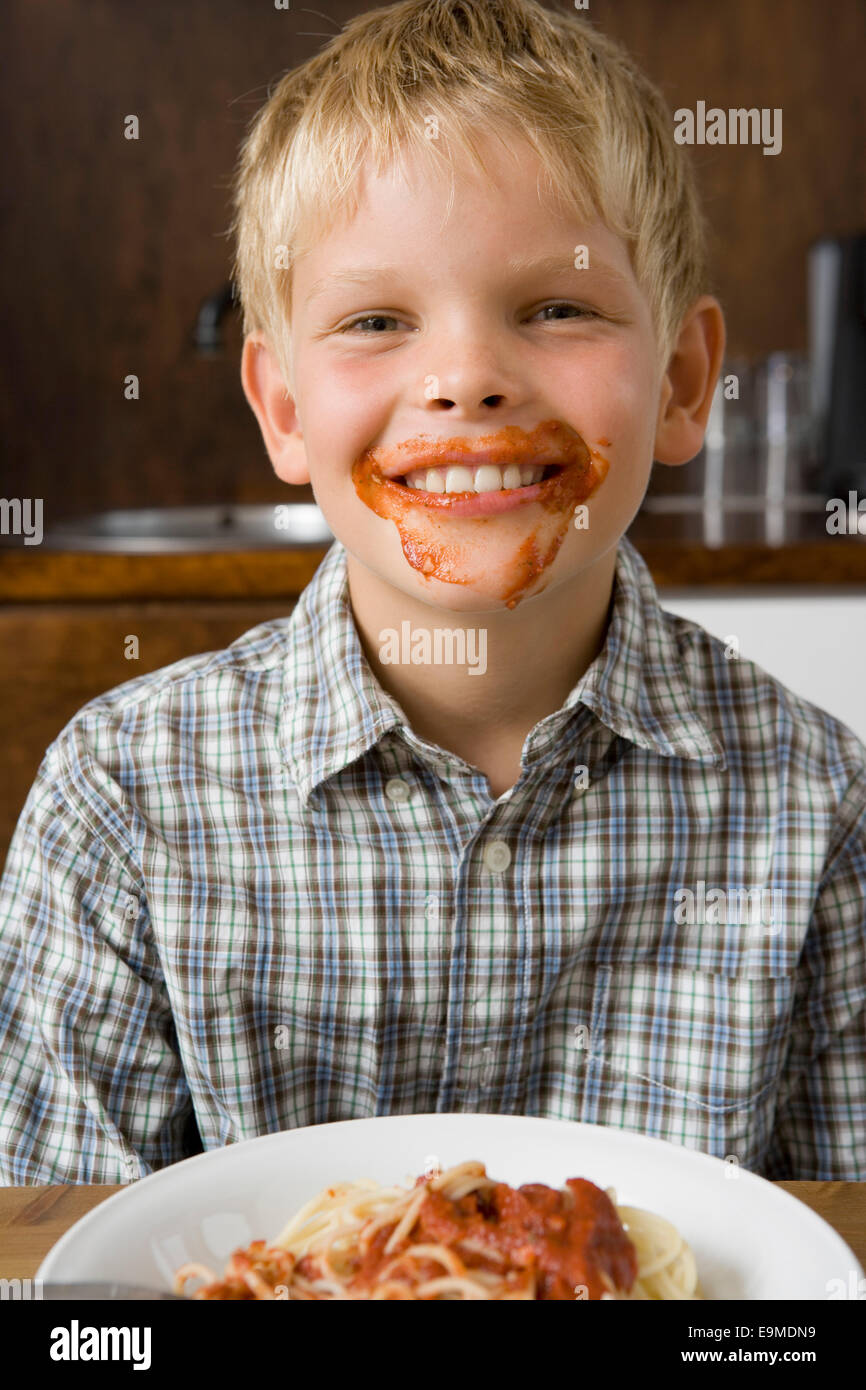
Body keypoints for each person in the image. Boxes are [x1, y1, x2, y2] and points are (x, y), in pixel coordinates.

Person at [1, 0, 863, 1184]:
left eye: (555, 307)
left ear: (679, 382)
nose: (463, 378)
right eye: (375, 319)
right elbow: (64, 1289)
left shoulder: (820, 811)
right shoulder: (119, 805)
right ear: (286, 408)